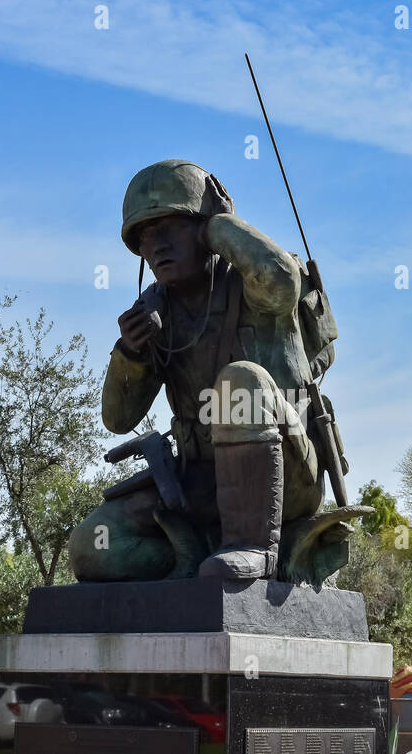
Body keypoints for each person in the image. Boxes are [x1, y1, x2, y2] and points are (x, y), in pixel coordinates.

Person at [69, 160, 327, 582]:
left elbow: (281, 282)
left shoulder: (254, 282)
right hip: (199, 483)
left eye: (169, 228)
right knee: (93, 547)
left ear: (205, 229)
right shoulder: (157, 312)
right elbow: (118, 420)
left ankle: (255, 546)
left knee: (239, 379)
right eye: (145, 237)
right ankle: (193, 558)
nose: (156, 247)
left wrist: (221, 225)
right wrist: (130, 353)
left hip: (285, 479)